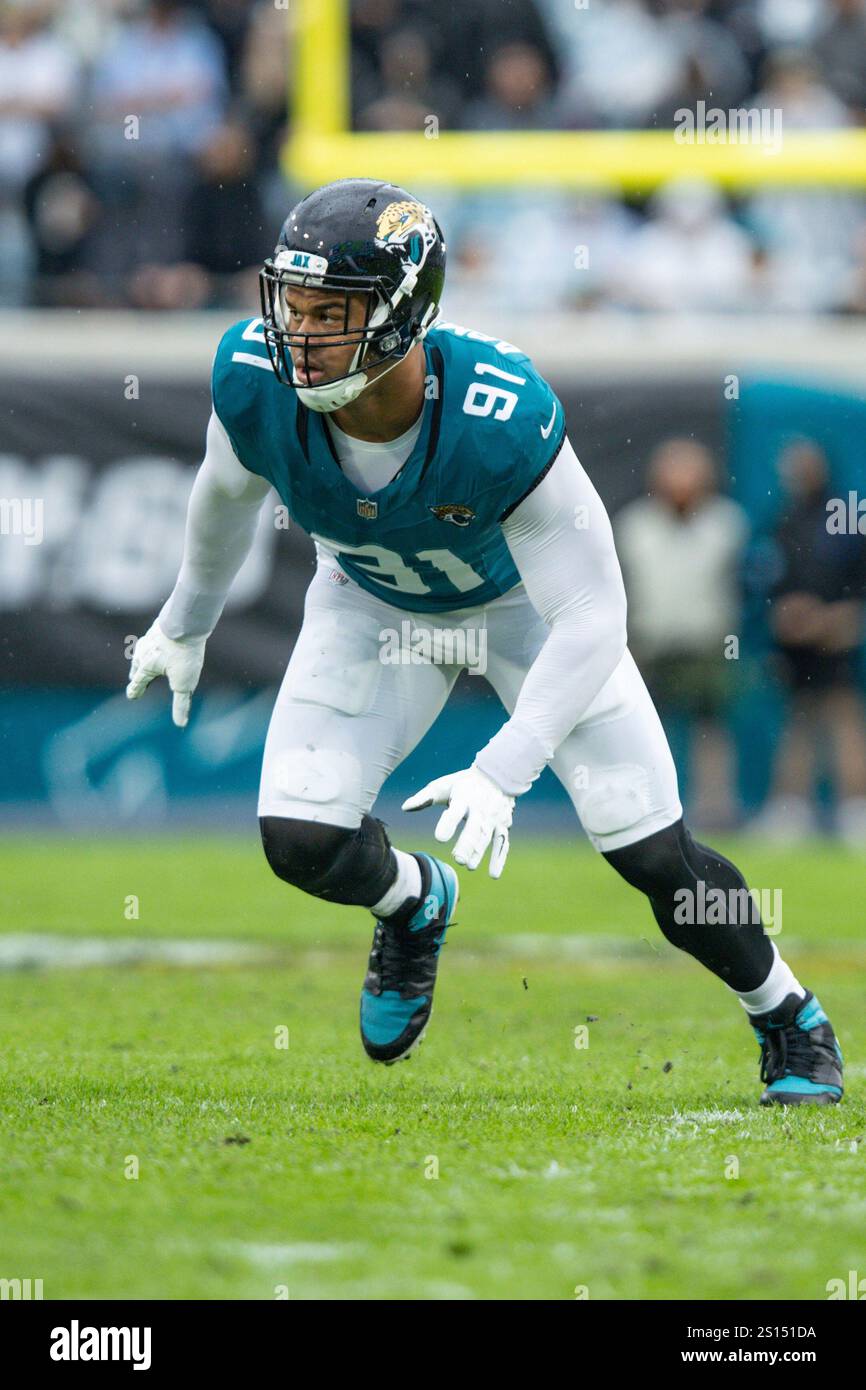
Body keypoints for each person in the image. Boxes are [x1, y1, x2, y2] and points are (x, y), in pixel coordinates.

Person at [126, 178, 843, 1105]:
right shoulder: (254, 378)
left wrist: (504, 770)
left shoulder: (496, 415)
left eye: (330, 312)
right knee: (301, 839)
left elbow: (592, 617)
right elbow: (223, 500)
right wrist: (185, 622)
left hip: (524, 613)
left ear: (402, 316)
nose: (297, 333)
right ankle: (413, 903)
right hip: (370, 603)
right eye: (291, 304)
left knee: (651, 849)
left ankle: (789, 1016)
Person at [615, 438, 747, 828]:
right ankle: (643, 807)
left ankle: (715, 805)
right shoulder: (635, 525)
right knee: (639, 728)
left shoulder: (726, 523)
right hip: (649, 640)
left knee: (711, 728)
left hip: (706, 640)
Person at [753, 440, 866, 843]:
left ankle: (855, 809)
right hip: (794, 648)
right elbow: (766, 581)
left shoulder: (848, 518)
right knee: (797, 724)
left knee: (843, 718)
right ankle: (790, 808)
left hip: (839, 642)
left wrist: (838, 619)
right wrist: (785, 615)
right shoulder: (783, 519)